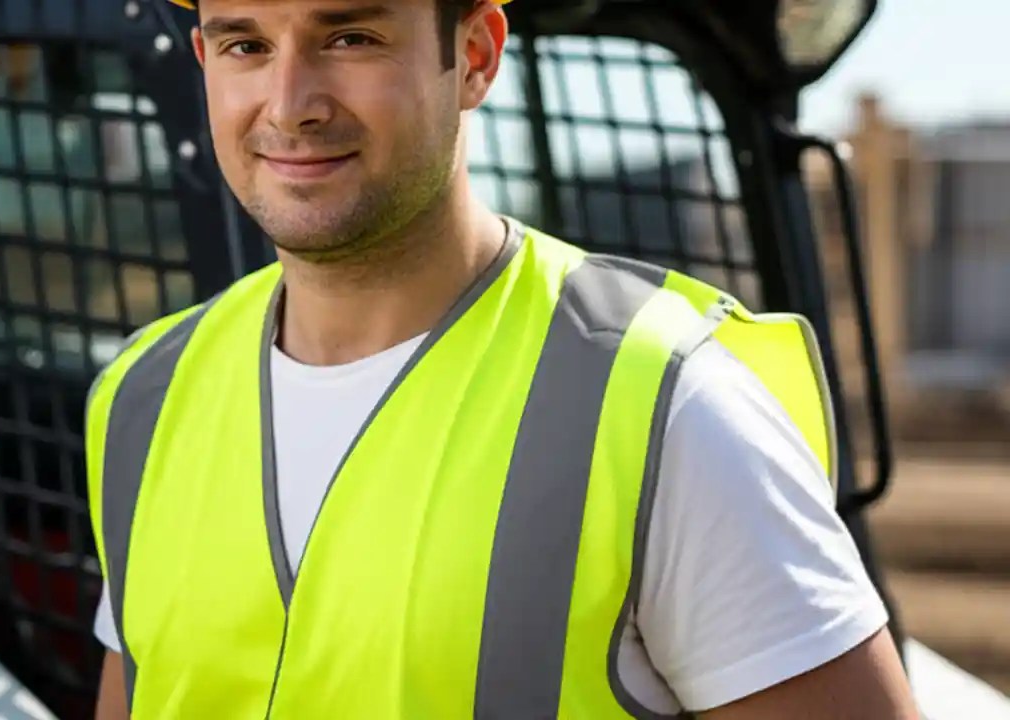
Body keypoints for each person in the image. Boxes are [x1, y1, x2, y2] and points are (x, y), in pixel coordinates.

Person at [87, 0, 920, 717]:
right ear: (204, 59)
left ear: (477, 55)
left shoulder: (665, 406)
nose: (289, 103)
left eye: (351, 38)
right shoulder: (143, 400)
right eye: (247, 46)